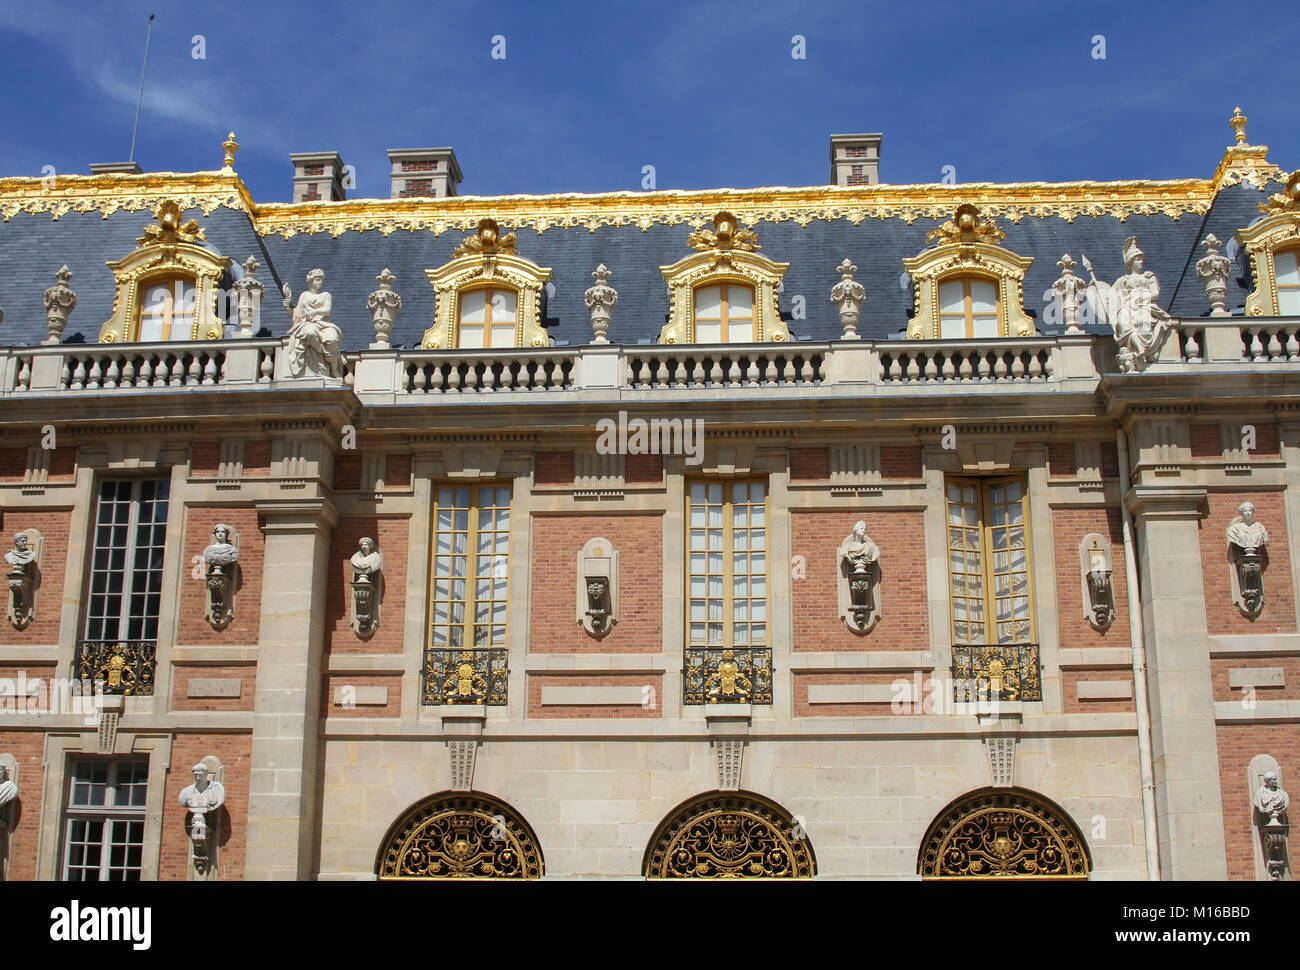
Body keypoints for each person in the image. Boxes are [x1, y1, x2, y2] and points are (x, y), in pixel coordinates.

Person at [288, 269, 342, 378]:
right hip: (308, 323)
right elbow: (298, 313)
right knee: (310, 332)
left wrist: (315, 311)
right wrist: (288, 308)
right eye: (317, 280)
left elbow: (327, 310)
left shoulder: (326, 295)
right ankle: (326, 356)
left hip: (324, 324)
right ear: (311, 281)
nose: (320, 282)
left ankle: (333, 367)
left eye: (321, 280)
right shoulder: (304, 295)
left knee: (332, 338)